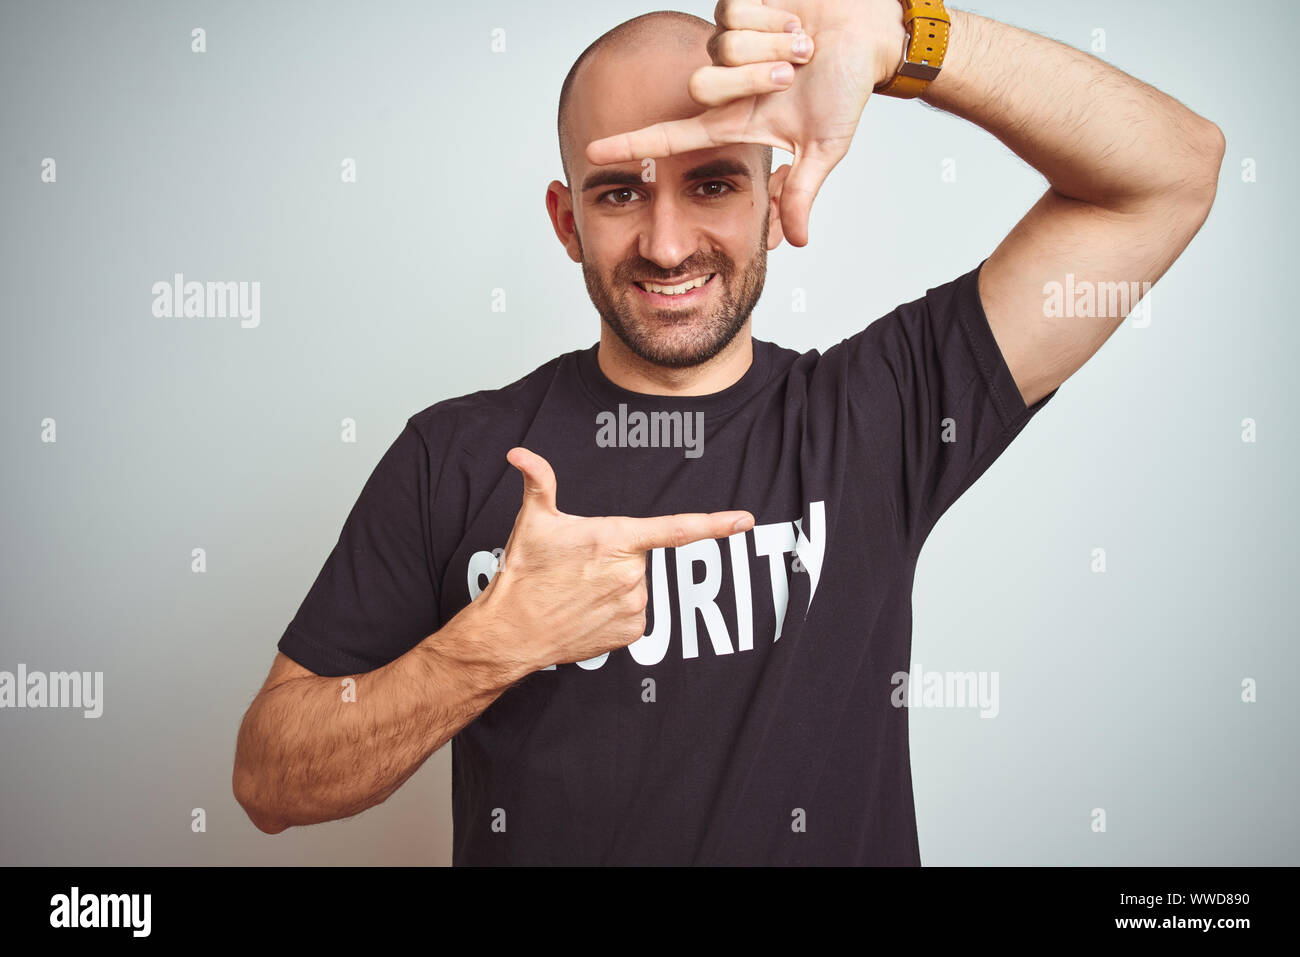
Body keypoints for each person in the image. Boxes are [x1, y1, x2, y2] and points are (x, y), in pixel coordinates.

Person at [232, 0, 1224, 864]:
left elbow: (1172, 172)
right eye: (619, 193)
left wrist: (901, 38)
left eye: (710, 182)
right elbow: (270, 782)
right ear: (566, 220)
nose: (665, 246)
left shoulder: (883, 410)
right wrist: (488, 649)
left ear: (771, 191)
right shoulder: (451, 455)